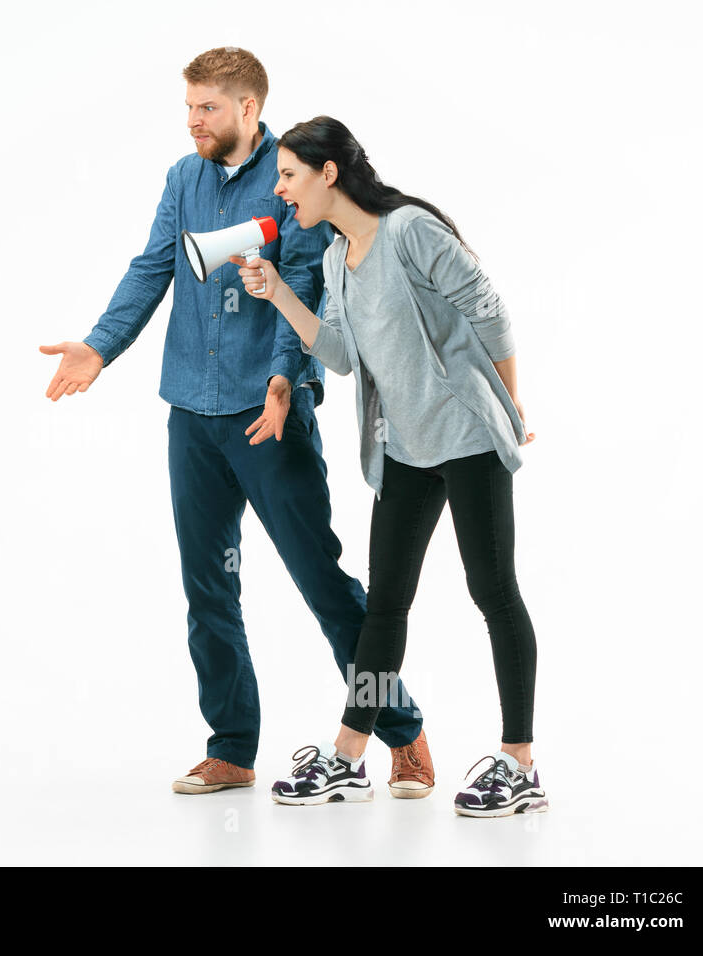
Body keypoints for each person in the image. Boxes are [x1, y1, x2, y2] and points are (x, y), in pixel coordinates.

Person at [40, 48, 433, 796]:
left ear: (247, 109)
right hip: (192, 412)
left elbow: (312, 283)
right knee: (209, 588)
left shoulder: (292, 179)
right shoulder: (183, 178)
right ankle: (231, 748)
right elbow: (152, 266)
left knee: (321, 581)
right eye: (188, 106)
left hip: (269, 411)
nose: (192, 121)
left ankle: (403, 732)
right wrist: (99, 347)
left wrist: (286, 377)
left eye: (207, 108)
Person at [238, 116, 547, 817]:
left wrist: (509, 404)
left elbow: (490, 312)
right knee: (385, 607)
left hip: (467, 435)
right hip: (403, 448)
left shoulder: (408, 231)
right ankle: (347, 758)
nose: (281, 190)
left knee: (493, 592)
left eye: (289, 176)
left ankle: (521, 765)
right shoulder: (332, 260)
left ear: (329, 173)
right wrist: (280, 295)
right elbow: (343, 357)